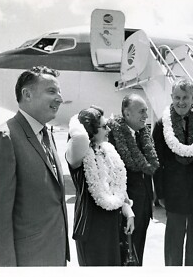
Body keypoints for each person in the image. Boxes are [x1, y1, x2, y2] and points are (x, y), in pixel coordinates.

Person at [0, 66, 70, 266]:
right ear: (27, 94)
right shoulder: (4, 138)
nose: (59, 98)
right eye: (51, 91)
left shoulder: (46, 134)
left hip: (53, 255)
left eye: (59, 92)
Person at [153, 78, 193, 266]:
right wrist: (160, 194)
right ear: (171, 97)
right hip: (174, 192)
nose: (181, 102)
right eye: (177, 97)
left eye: (185, 97)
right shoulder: (162, 124)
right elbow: (157, 163)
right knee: (174, 240)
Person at [66, 106, 135, 266]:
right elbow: (80, 137)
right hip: (92, 228)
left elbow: (116, 185)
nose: (109, 129)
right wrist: (83, 118)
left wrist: (127, 210)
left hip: (113, 225)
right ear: (90, 129)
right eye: (104, 126)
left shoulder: (107, 151)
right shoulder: (78, 154)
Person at [108, 94, 159, 265]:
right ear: (127, 113)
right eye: (142, 111)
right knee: (124, 257)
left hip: (144, 208)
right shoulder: (113, 136)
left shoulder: (144, 134)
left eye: (146, 111)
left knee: (138, 255)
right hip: (125, 210)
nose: (146, 115)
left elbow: (149, 167)